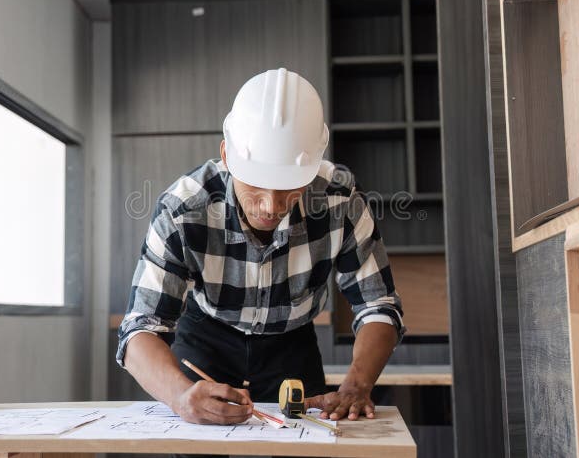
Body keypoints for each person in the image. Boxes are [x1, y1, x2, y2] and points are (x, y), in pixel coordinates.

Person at [116, 67, 405, 428]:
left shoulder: (341, 200)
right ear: (227, 154)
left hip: (292, 344)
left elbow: (378, 306)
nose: (271, 205)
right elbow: (140, 328)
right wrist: (178, 396)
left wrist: (357, 384)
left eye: (289, 186)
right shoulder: (183, 209)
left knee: (306, 446)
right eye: (256, 185)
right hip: (205, 342)